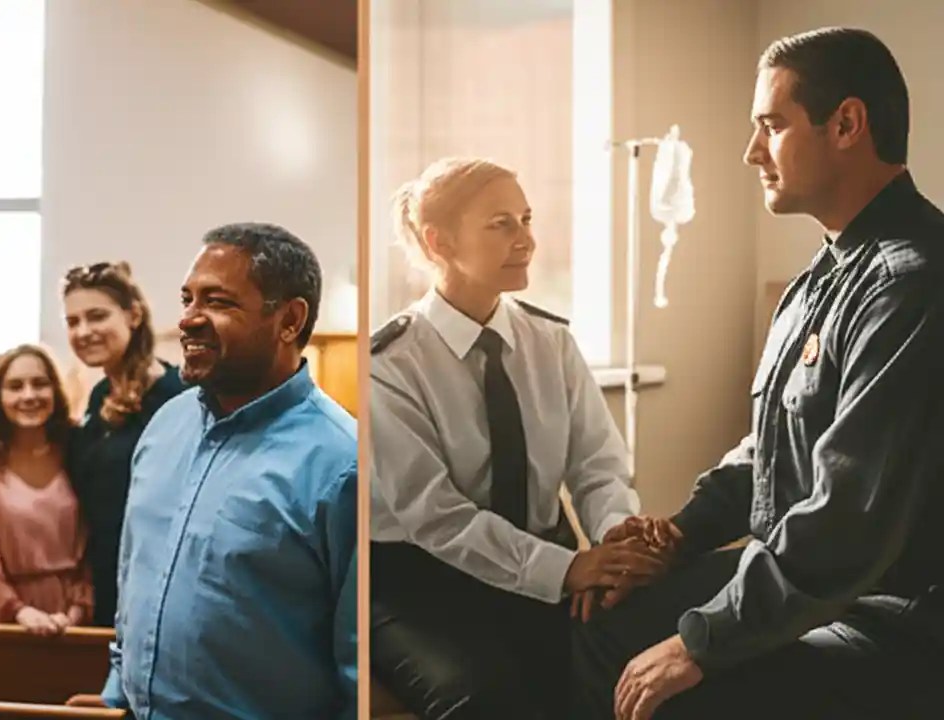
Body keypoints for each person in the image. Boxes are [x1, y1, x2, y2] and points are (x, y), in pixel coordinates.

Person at [571, 28, 944, 720]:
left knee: (676, 689)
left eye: (770, 126)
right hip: (812, 589)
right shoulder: (814, 285)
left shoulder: (913, 286)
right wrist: (675, 539)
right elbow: (771, 452)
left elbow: (846, 520)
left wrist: (700, 644)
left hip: (890, 619)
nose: (750, 152)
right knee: (606, 619)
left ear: (847, 124)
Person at [367, 157, 667, 718]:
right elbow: (436, 517)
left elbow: (597, 467)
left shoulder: (550, 341)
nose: (526, 239)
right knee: (484, 698)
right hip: (425, 585)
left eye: (526, 220)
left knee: (633, 656)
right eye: (501, 224)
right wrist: (567, 570)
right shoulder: (388, 365)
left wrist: (613, 539)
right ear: (438, 241)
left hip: (545, 557)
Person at [101, 223, 357, 719]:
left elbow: (358, 670)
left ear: (289, 320)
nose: (189, 320)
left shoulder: (342, 461)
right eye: (187, 300)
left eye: (217, 303)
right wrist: (116, 693)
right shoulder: (164, 427)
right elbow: (134, 583)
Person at [62, 261, 184, 627]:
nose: (84, 331)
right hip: (104, 579)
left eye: (97, 316)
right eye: (73, 321)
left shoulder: (177, 396)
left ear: (132, 315)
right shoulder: (100, 395)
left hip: (160, 584)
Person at [0, 344, 94, 635]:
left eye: (39, 383)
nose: (29, 395)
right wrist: (19, 612)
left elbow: (93, 545)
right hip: (11, 620)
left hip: (78, 617)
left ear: (55, 390)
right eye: (15, 386)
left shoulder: (78, 455)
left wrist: (77, 611)